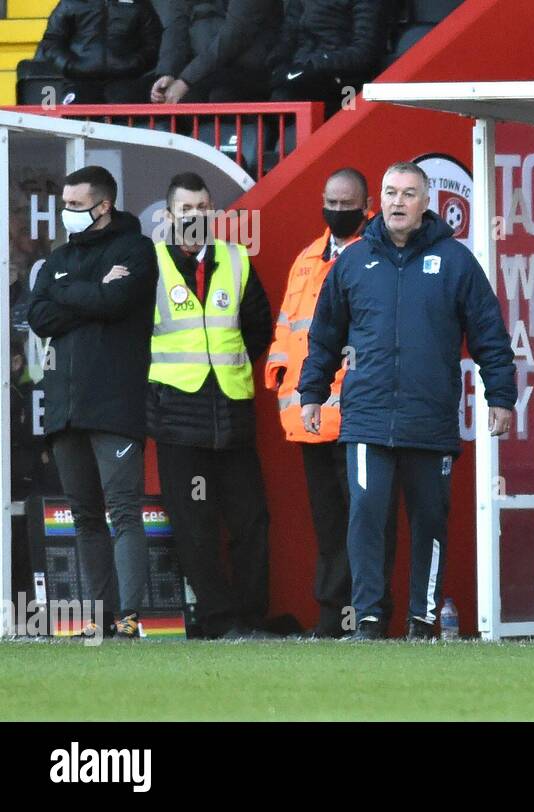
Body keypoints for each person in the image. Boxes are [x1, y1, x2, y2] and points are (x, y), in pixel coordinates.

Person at [299, 161, 517, 642]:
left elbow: (490, 335)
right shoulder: (354, 261)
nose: (398, 202)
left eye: (409, 193)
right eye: (391, 192)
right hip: (367, 419)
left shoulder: (456, 261)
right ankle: (370, 619)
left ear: (426, 203)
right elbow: (323, 336)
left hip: (429, 420)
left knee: (430, 523)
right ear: (380, 202)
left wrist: (501, 395)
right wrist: (311, 392)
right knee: (366, 517)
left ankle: (423, 619)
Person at [26, 165, 158, 638]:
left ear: (104, 206)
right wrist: (91, 293)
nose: (67, 214)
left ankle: (128, 616)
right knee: (84, 515)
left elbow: (116, 303)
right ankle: (100, 618)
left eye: (76, 206)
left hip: (115, 403)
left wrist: (68, 295)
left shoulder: (136, 250)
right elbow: (38, 315)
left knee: (122, 510)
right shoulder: (58, 257)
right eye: (65, 205)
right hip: (64, 406)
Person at [264, 168, 397, 638]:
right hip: (310, 416)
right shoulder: (306, 259)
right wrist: (280, 375)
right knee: (329, 525)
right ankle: (332, 618)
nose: (338, 211)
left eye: (347, 204)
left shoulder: (378, 256)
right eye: (331, 202)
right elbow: (288, 327)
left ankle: (367, 617)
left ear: (368, 207)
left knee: (366, 523)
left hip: (360, 416)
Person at [148, 172, 274, 639]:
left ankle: (251, 619)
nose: (197, 217)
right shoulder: (152, 263)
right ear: (170, 216)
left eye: (204, 209)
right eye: (187, 210)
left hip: (233, 414)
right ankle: (220, 622)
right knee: (195, 528)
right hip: (178, 419)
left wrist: (234, 366)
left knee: (251, 522)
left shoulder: (237, 259)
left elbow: (259, 326)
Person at [150, 0, 282, 103]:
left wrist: (186, 80)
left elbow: (235, 34)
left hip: (251, 68)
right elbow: (176, 26)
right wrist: (168, 73)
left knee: (199, 99)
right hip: (201, 70)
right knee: (153, 97)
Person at [269, 0, 386, 116]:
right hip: (296, 84)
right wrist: (279, 64)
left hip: (343, 87)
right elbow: (287, 37)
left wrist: (315, 65)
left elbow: (365, 51)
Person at [35, 0, 162, 103]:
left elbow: (153, 42)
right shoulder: (71, 3)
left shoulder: (139, 3)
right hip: (78, 83)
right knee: (74, 125)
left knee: (125, 129)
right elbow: (52, 41)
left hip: (127, 84)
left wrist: (135, 63)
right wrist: (70, 66)